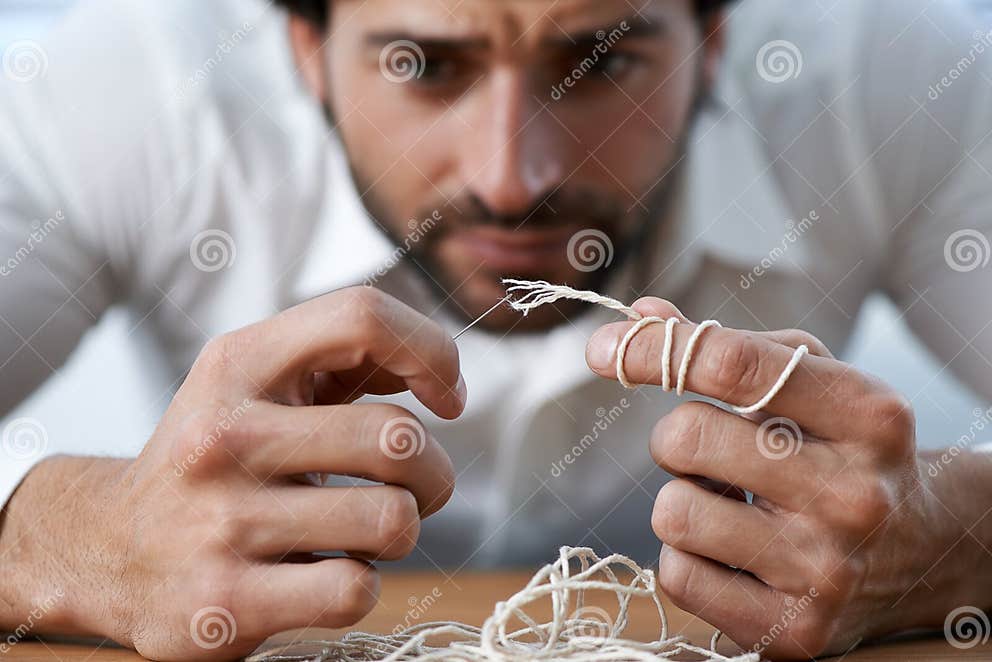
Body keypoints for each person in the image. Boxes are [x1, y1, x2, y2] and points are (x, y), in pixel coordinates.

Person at [1, 0, 990, 659]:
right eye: (423, 64)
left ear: (715, 40)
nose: (511, 177)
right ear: (305, 50)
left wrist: (964, 535)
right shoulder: (119, 94)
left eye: (597, 63)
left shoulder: (898, 76)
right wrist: (58, 534)